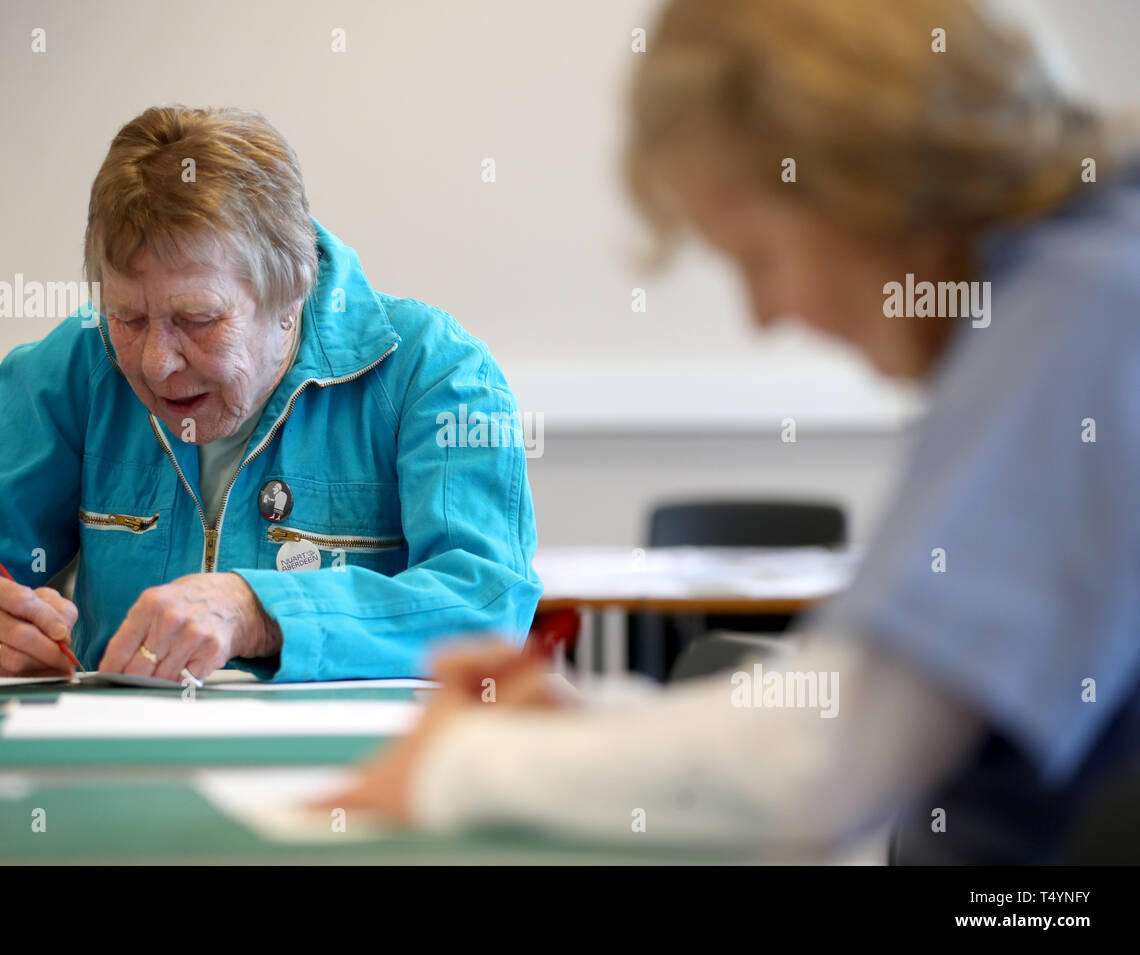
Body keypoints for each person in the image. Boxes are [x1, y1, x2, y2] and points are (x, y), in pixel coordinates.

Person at [320, 0, 1140, 863]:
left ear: (865, 184)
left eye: (760, 257)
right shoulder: (1073, 287)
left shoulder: (1090, 310)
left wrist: (461, 769)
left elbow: (819, 767)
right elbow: (869, 724)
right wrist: (588, 741)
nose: (761, 316)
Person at [0, 105, 541, 683]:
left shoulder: (434, 372)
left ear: (290, 292)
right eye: (128, 317)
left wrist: (258, 610)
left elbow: (487, 607)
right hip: (120, 796)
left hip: (353, 799)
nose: (156, 362)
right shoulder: (78, 367)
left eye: (198, 319)